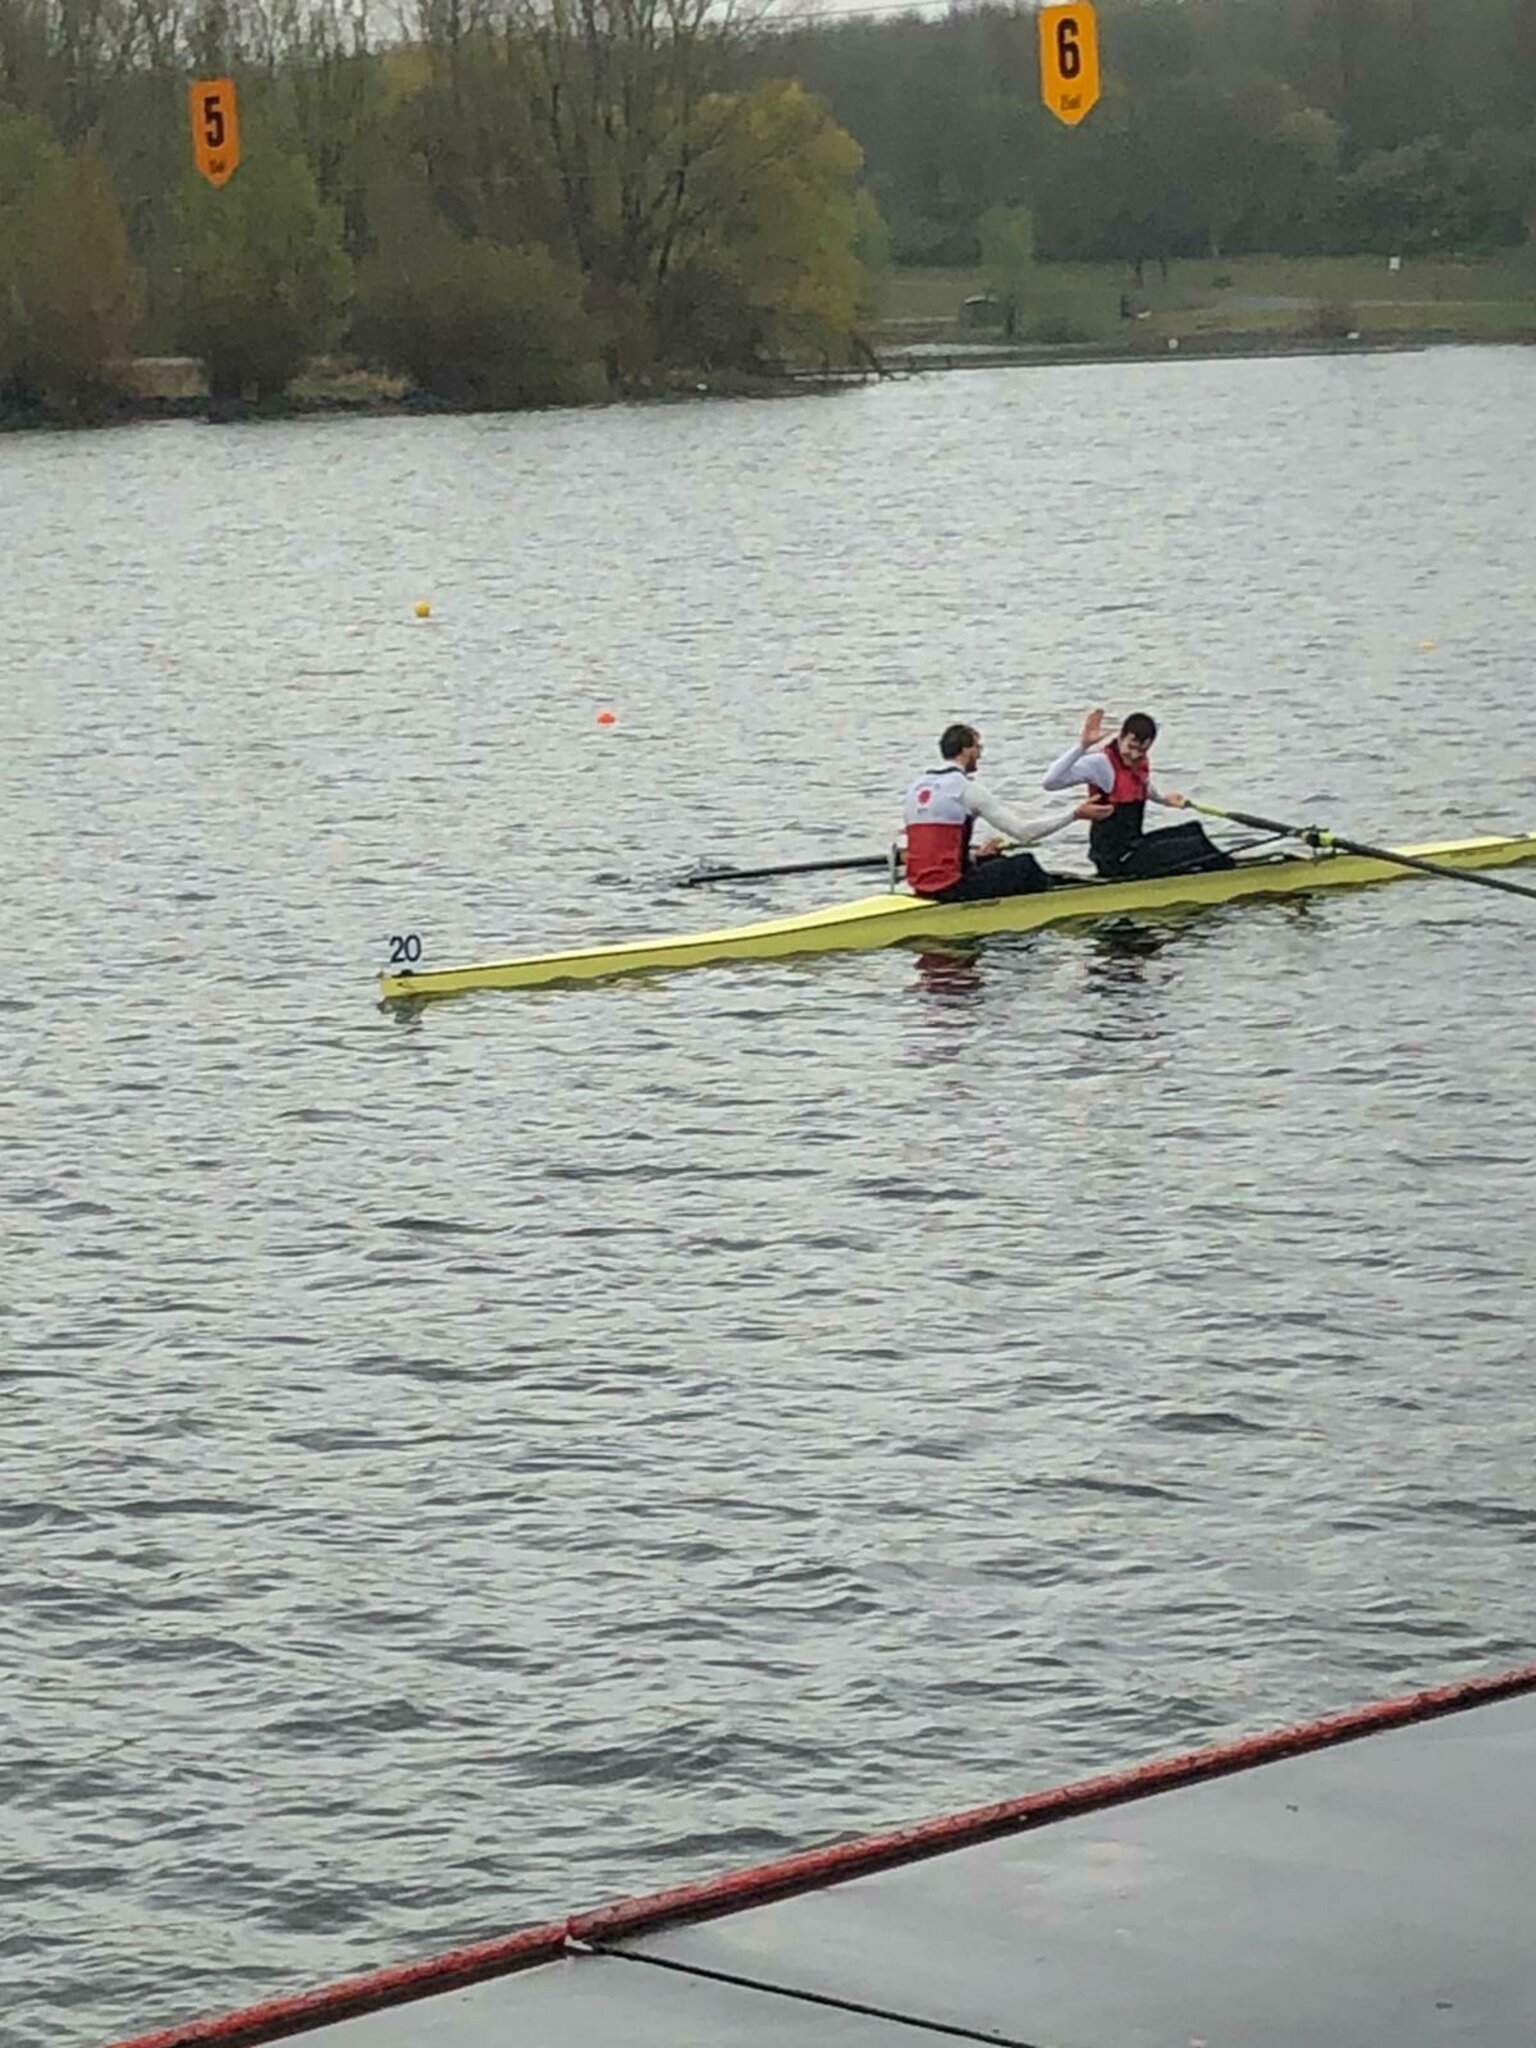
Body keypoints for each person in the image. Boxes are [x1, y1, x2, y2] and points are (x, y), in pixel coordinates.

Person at [903, 723, 1107, 901]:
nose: (980, 754)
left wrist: (974, 856)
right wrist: (1074, 815)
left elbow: (934, 846)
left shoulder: (916, 787)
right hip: (951, 888)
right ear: (966, 750)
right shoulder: (966, 788)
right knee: (1025, 864)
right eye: (978, 747)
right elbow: (1024, 833)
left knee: (993, 860)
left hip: (920, 885)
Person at [1042, 707, 1232, 880]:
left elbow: (1140, 787)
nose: (1134, 755)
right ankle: (1226, 877)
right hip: (1115, 859)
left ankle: (1220, 870)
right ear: (1121, 737)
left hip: (1135, 848)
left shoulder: (1138, 763)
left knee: (1193, 830)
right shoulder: (1100, 763)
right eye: (1131, 747)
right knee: (1196, 846)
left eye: (1142, 750)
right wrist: (1082, 746)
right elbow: (1050, 782)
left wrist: (1164, 799)